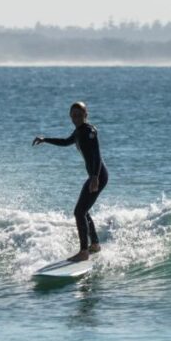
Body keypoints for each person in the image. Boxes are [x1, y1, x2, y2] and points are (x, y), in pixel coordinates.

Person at [33, 101, 109, 262]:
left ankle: (83, 252)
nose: (76, 117)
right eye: (74, 115)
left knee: (79, 212)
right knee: (83, 210)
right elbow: (66, 141)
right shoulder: (78, 132)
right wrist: (45, 139)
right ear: (70, 116)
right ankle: (94, 244)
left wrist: (95, 176)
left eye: (80, 115)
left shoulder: (89, 131)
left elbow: (96, 154)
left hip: (99, 175)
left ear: (85, 115)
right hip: (95, 176)